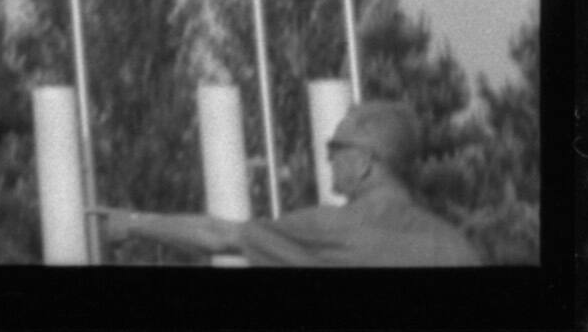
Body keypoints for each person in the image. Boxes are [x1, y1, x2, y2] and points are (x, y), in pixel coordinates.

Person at [102, 93, 487, 267]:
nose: (329, 158)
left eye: (336, 148)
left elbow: (219, 236)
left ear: (367, 163)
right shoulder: (456, 248)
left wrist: (134, 225)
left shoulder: (332, 231)